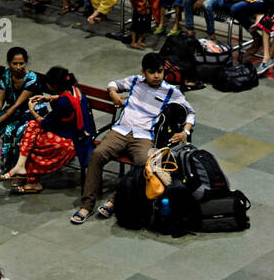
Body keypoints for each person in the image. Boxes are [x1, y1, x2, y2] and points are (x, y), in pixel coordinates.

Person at [73, 55, 195, 224]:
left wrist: (185, 132)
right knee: (97, 155)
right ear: (144, 72)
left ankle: (114, 200)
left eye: (160, 72)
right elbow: (113, 84)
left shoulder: (171, 91)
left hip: (144, 136)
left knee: (146, 163)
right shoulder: (135, 81)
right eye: (152, 72)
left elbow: (190, 112)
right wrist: (113, 93)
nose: (157, 76)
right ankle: (87, 205)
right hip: (120, 131)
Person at [0, 66, 95, 193]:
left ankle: (30, 179)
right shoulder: (74, 89)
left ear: (55, 86)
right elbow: (66, 98)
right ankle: (20, 167)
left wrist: (32, 110)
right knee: (32, 128)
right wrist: (49, 98)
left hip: (74, 141)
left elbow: (45, 123)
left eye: (48, 85)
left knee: (34, 141)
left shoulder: (63, 103)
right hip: (79, 130)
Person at [0, 46, 39, 178]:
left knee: (13, 132)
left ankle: (9, 167)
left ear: (25, 63)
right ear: (9, 63)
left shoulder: (32, 78)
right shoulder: (6, 75)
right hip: (12, 112)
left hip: (30, 113)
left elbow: (17, 105)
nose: (18, 67)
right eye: (14, 63)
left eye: (21, 63)